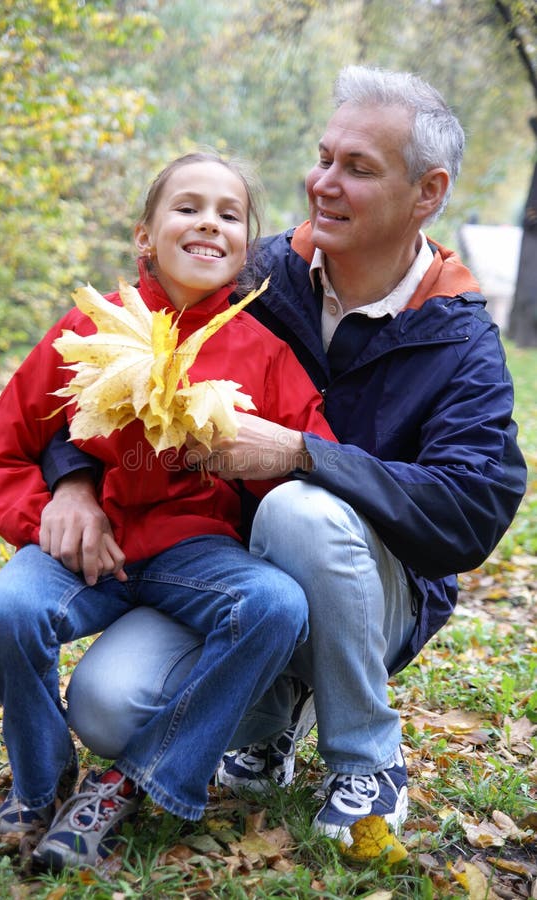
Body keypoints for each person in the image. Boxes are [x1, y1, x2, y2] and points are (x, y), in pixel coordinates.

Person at [39, 64, 527, 847]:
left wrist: (302, 454)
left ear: (427, 193)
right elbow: (110, 363)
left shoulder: (462, 339)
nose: (322, 182)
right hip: (229, 574)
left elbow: (468, 516)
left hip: (381, 593)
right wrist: (73, 480)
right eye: (325, 157)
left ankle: (367, 757)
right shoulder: (252, 275)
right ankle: (268, 721)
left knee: (300, 508)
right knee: (105, 705)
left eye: (357, 169)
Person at [0, 151, 336, 871]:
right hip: (88, 549)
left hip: (194, 554)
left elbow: (308, 457)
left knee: (275, 604)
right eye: (188, 207)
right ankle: (41, 785)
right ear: (146, 235)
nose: (209, 223)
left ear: (247, 248)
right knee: (8, 611)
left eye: (230, 215)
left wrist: (262, 459)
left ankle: (134, 778)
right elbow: (4, 445)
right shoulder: (91, 326)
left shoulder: (262, 352)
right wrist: (51, 509)